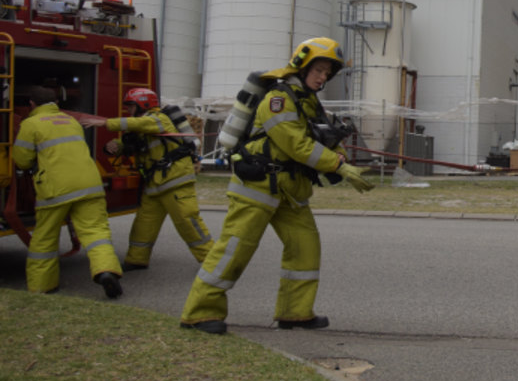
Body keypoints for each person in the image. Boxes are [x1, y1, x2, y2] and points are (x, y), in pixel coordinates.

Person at [179, 37, 375, 335]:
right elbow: (296, 143)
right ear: (302, 64)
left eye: (327, 73)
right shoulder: (278, 99)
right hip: (257, 188)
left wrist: (343, 159)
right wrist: (339, 166)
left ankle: (295, 313)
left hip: (291, 190)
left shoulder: (308, 100)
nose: (323, 78)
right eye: (319, 70)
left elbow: (323, 138)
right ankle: (198, 313)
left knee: (305, 248)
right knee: (233, 251)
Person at [79, 88, 213, 270]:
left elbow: (142, 125)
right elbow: (134, 142)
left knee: (188, 222)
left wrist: (105, 123)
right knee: (143, 224)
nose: (128, 110)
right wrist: (115, 147)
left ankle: (213, 262)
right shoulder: (143, 124)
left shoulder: (159, 119)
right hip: (154, 184)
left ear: (143, 104)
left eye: (130, 106)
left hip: (175, 181)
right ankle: (136, 259)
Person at [12, 86, 123, 297]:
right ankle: (106, 271)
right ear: (56, 102)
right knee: (96, 233)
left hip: (55, 189)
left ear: (32, 104)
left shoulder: (30, 123)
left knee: (44, 239)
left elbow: (22, 160)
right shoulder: (71, 121)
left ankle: (42, 287)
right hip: (90, 184)